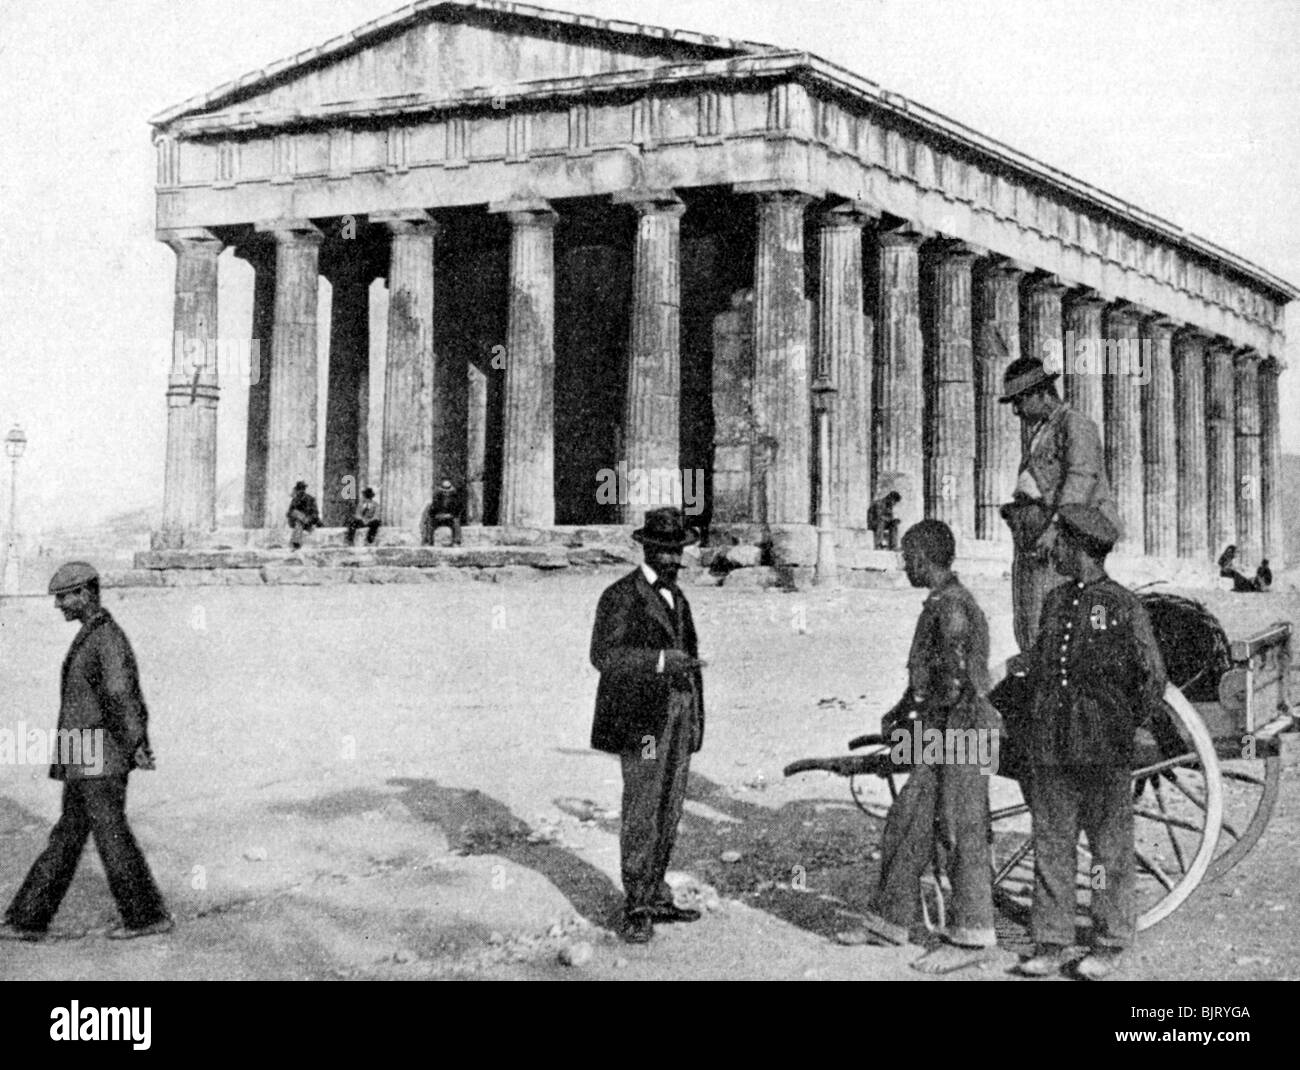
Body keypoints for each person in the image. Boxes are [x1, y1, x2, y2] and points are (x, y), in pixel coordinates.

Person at [835, 520, 1001, 973]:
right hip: (944, 730)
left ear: (924, 558)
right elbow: (928, 679)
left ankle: (972, 939)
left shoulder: (952, 608)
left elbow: (957, 681)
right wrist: (900, 711)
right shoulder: (940, 603)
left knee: (959, 830)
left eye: (907, 557)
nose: (904, 565)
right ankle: (888, 923)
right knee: (908, 820)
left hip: (964, 731)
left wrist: (919, 727)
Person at [1013, 504, 1166, 981]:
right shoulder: (1056, 599)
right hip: (1053, 744)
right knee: (1052, 845)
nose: (1051, 549)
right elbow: (1042, 664)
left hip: (1102, 748)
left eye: (1058, 542)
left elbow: (1152, 678)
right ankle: (1052, 941)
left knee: (1109, 850)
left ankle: (1111, 941)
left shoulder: (1122, 605)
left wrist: (1121, 724)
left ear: (1078, 548)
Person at [1, 563, 173, 942]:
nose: (59, 604)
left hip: (98, 754)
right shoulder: (93, 635)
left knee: (108, 836)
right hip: (85, 753)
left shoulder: (106, 638)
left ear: (86, 594)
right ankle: (27, 920)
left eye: (65, 596)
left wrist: (136, 743)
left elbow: (120, 696)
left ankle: (145, 917)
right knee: (68, 836)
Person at [589, 507, 706, 944]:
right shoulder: (620, 595)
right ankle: (636, 904)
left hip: (677, 712)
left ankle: (657, 892)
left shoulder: (680, 598)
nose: (675, 560)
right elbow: (603, 656)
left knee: (669, 808)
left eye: (679, 551)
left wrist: (692, 711)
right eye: (667, 551)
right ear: (648, 548)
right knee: (642, 809)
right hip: (640, 719)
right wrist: (659, 662)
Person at [999, 356, 1118, 653]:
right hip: (1035, 534)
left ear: (1042, 394)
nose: (1015, 410)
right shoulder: (1042, 428)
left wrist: (1055, 527)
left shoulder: (1076, 425)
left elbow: (1081, 478)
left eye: (1020, 401)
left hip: (1061, 537)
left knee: (1056, 613)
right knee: (1030, 613)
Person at [422, 478, 463, 546]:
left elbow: (457, 511)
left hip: (450, 518)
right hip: (438, 518)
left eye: (448, 491)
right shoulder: (437, 498)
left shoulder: (454, 499)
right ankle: (429, 541)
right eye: (444, 491)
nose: (446, 493)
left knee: (456, 522)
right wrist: (438, 515)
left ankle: (457, 541)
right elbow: (432, 511)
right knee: (430, 522)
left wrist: (450, 515)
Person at [286, 480, 321, 550]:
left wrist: (308, 519)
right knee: (298, 521)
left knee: (300, 522)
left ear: (304, 490)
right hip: (296, 522)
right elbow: (289, 513)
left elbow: (315, 514)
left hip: (308, 522)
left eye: (302, 489)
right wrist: (298, 515)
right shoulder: (295, 500)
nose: (300, 491)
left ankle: (295, 544)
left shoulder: (311, 499)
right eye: (299, 489)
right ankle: (296, 544)